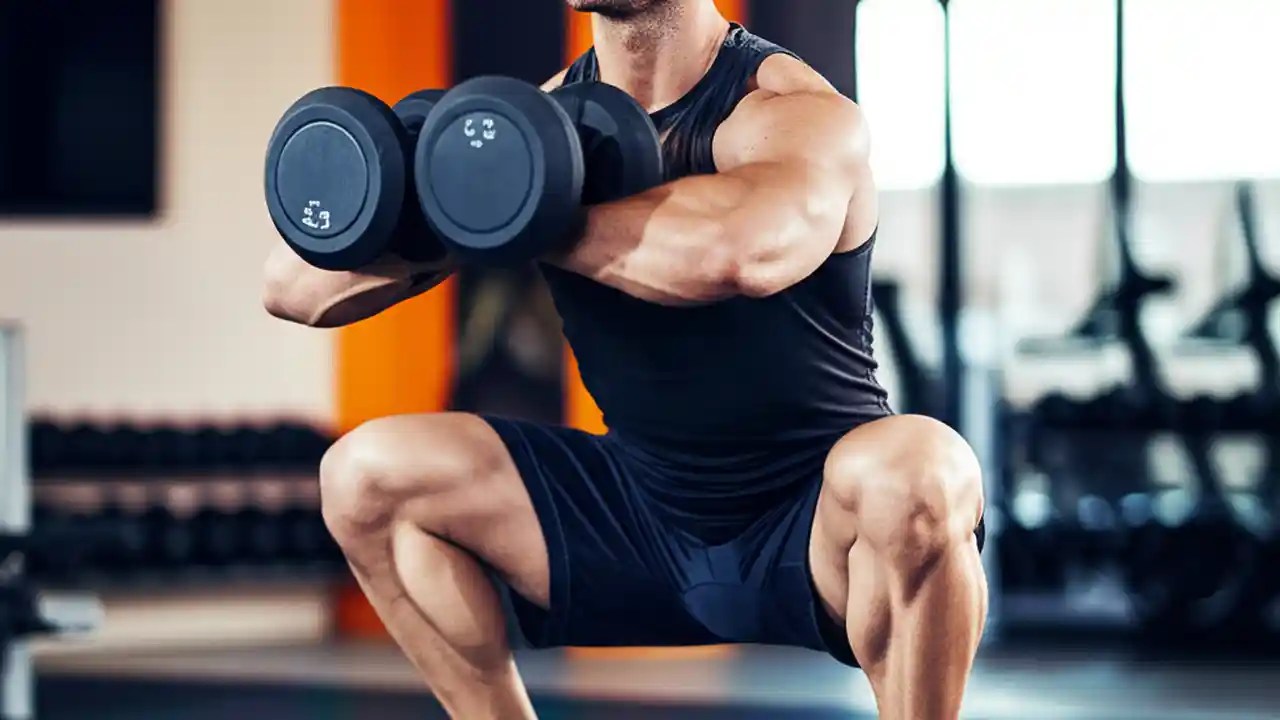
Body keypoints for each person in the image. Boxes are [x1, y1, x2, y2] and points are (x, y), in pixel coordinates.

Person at [262, 0, 987, 717]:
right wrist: (453, 205)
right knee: (365, 476)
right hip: (638, 516)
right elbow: (293, 286)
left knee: (921, 469)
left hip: (816, 523)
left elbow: (741, 253)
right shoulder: (525, 128)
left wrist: (515, 213)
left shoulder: (791, 113)